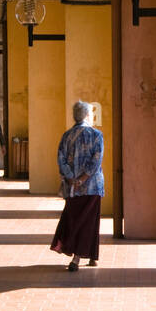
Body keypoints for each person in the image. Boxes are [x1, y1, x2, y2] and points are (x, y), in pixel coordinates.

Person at [51, 101, 104, 271]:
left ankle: (91, 256)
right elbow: (96, 161)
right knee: (90, 221)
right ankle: (78, 258)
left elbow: (61, 160)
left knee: (76, 220)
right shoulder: (96, 135)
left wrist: (72, 178)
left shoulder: (66, 136)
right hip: (92, 186)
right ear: (88, 115)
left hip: (72, 188)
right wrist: (83, 178)